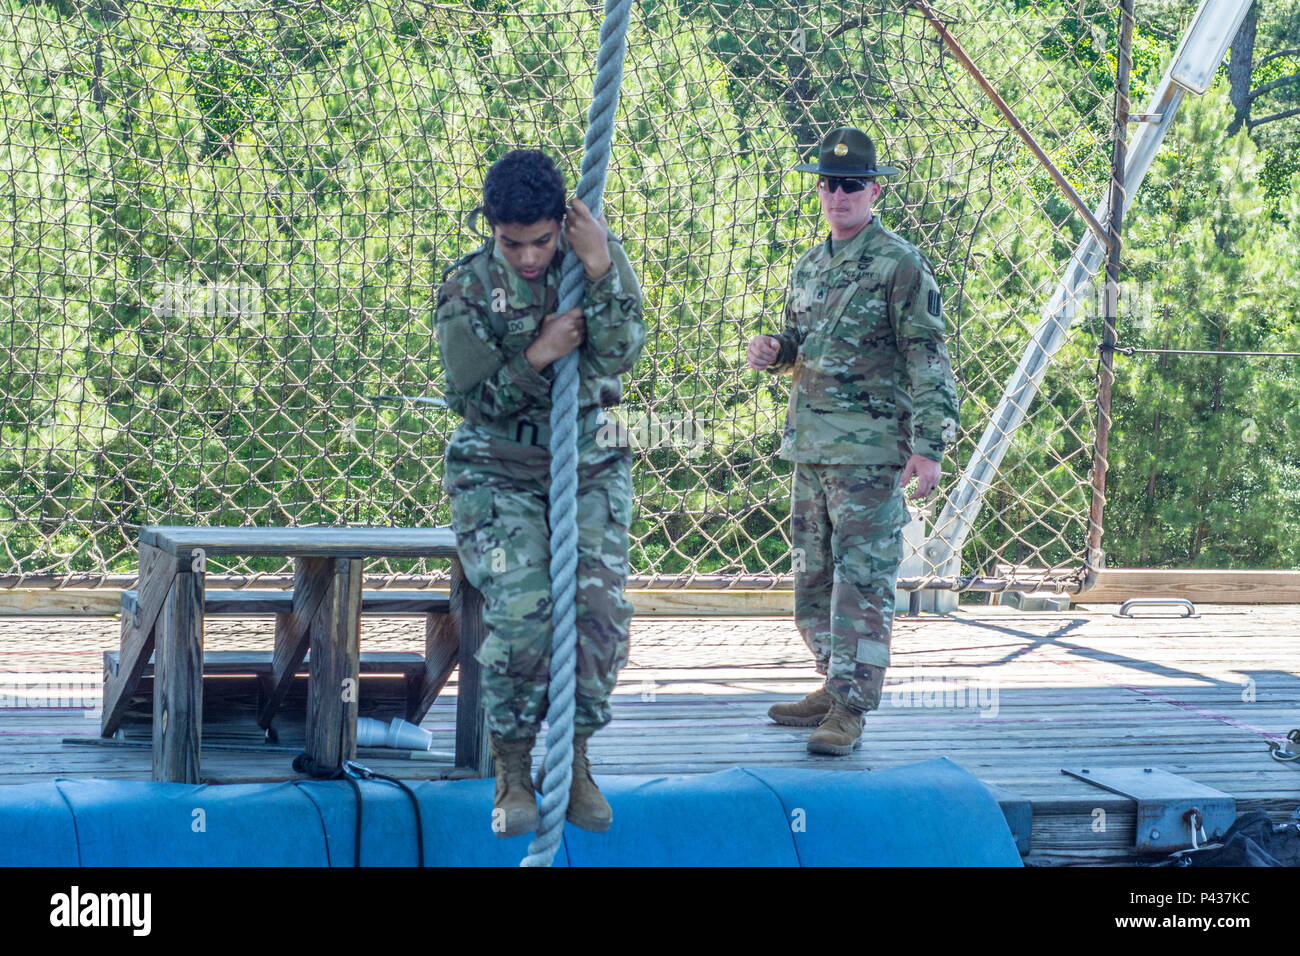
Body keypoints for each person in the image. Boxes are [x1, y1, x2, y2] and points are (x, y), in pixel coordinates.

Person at [435, 149, 645, 836]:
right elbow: (473, 398)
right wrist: (540, 353)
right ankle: (513, 770)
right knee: (524, 606)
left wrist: (601, 267)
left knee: (600, 610)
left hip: (586, 461)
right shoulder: (467, 287)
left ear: (563, 225)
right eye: (511, 243)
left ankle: (576, 760)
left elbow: (621, 352)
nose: (528, 258)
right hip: (496, 468)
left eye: (541, 242)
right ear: (491, 229)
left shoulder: (593, 261)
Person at [746, 127, 960, 755]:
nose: (837, 195)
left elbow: (927, 357)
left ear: (872, 190)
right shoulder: (810, 265)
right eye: (828, 184)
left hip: (870, 454)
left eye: (851, 185)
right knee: (812, 579)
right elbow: (797, 340)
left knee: (863, 582)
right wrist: (775, 351)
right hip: (811, 448)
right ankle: (834, 685)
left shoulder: (900, 263)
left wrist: (929, 446)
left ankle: (852, 709)